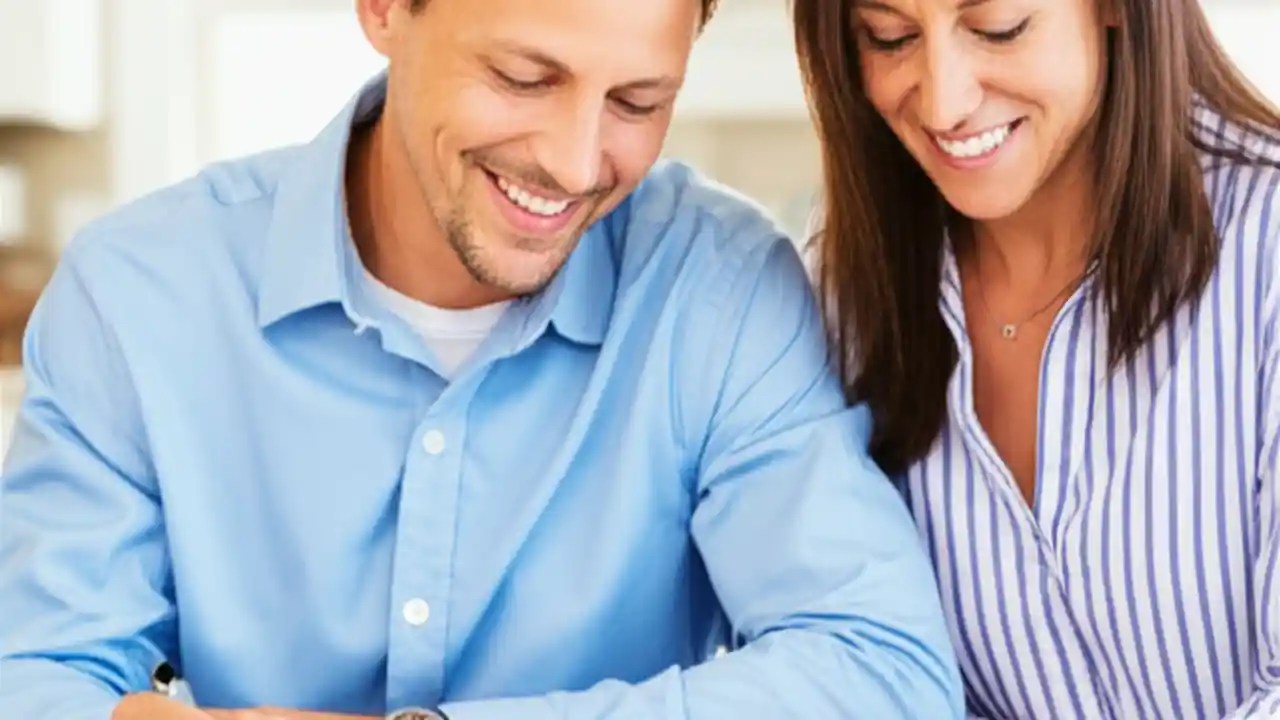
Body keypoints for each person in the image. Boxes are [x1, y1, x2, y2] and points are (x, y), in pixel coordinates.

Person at [0, 0, 964, 719]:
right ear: (386, 10)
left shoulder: (716, 289)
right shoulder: (138, 296)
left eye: (637, 101)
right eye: (524, 78)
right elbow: (35, 674)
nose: (578, 162)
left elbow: (881, 672)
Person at [793, 0, 1280, 716]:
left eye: (999, 27)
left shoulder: (1264, 242)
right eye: (890, 38)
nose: (945, 101)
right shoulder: (841, 307)